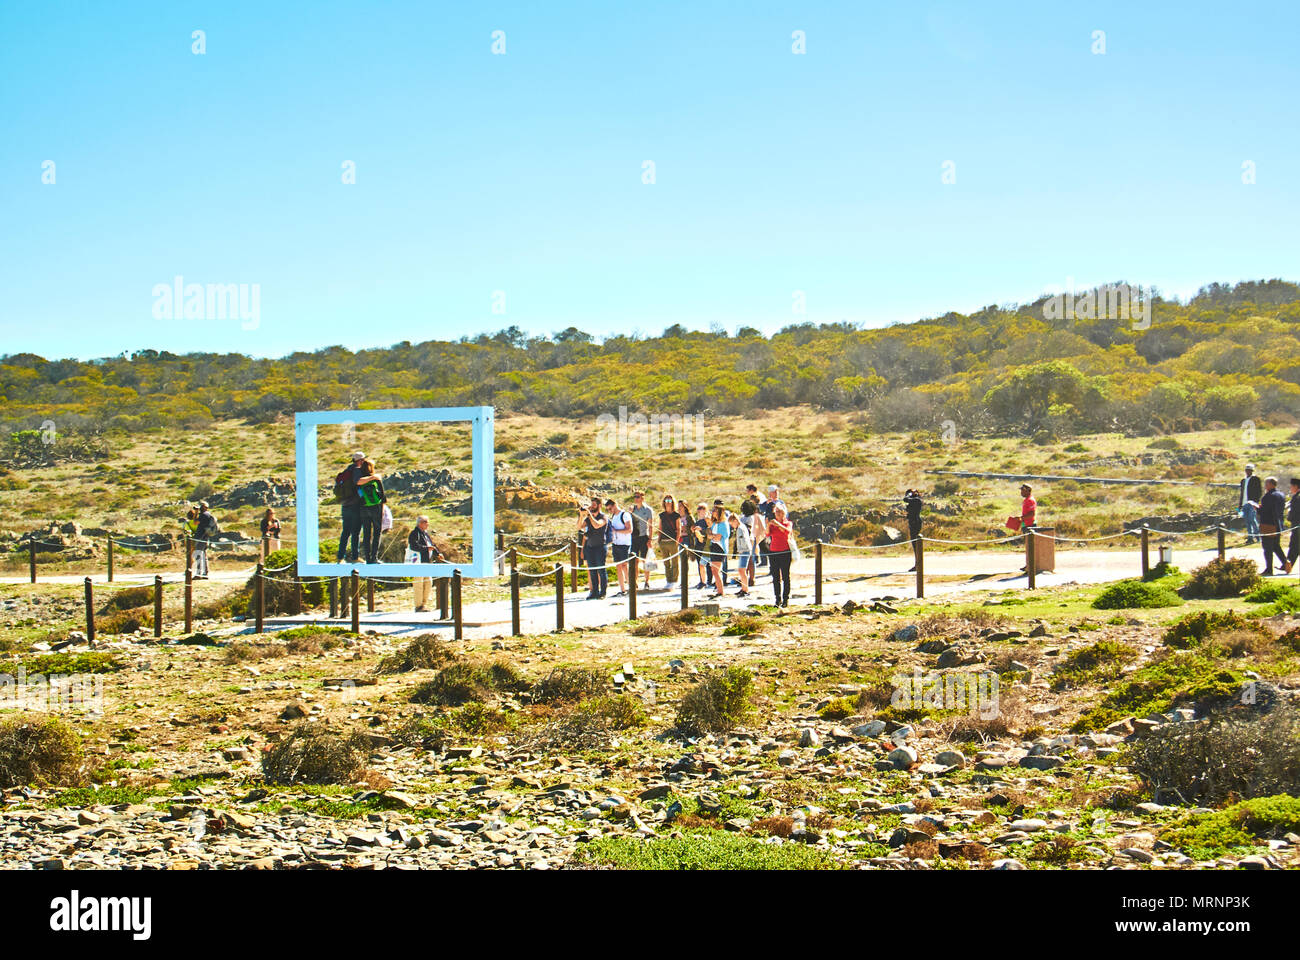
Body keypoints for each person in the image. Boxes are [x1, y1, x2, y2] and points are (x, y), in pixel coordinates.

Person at [334, 451, 368, 563]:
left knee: (345, 532)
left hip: (345, 506)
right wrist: (373, 478)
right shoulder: (357, 470)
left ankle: (340, 557)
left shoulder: (347, 470)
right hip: (355, 505)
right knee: (356, 533)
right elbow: (357, 482)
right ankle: (355, 557)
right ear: (360, 461)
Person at [408, 515, 443, 611]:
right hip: (418, 562)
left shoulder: (425, 534)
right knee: (418, 584)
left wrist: (438, 553)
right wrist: (426, 549)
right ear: (420, 523)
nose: (428, 524)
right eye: (426, 522)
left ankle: (423, 604)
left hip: (427, 562)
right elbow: (414, 546)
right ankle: (418, 605)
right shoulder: (414, 533)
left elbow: (432, 545)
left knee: (428, 583)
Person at [355, 459, 387, 564]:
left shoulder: (360, 481)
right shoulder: (376, 479)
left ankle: (368, 558)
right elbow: (383, 497)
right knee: (377, 533)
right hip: (376, 508)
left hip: (363, 508)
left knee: (366, 533)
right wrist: (382, 510)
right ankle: (374, 557)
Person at [578, 498, 608, 599]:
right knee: (592, 571)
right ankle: (594, 591)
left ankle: (603, 592)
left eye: (594, 505)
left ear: (599, 506)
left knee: (601, 570)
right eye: (591, 505)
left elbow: (597, 525)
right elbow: (579, 527)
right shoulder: (588, 519)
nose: (592, 507)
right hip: (590, 547)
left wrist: (590, 515)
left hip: (600, 547)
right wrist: (582, 515)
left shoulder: (603, 517)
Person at [605, 498, 634, 597]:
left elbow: (629, 530)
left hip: (625, 543)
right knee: (618, 566)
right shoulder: (614, 516)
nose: (609, 511)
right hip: (616, 543)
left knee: (625, 565)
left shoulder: (625, 515)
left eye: (610, 509)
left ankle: (631, 587)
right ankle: (622, 589)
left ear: (614, 505)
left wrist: (616, 531)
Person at [1259, 476, 1288, 575]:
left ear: (1271, 484)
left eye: (1266, 484)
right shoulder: (1281, 495)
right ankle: (1285, 563)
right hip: (1278, 524)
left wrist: (1256, 507)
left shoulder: (1267, 496)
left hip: (1268, 525)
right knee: (1276, 546)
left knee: (1267, 548)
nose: (1265, 486)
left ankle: (1269, 569)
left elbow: (1265, 512)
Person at [767, 503, 794, 607]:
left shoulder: (788, 523)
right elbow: (767, 533)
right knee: (775, 577)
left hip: (785, 551)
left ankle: (786, 599)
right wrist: (769, 524)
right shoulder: (773, 523)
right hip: (773, 551)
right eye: (776, 512)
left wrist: (778, 524)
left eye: (780, 512)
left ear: (784, 513)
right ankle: (777, 599)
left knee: (785, 576)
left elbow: (787, 532)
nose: (777, 514)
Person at [630, 491, 654, 591]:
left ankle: (647, 581)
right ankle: (634, 581)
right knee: (634, 560)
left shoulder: (648, 510)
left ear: (642, 498)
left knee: (645, 560)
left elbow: (651, 526)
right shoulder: (632, 509)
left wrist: (650, 539)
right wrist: (630, 512)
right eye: (635, 497)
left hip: (644, 536)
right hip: (634, 537)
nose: (636, 499)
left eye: (638, 497)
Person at [707, 504, 730, 598]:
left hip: (720, 548)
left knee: (716, 570)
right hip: (713, 546)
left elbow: (718, 537)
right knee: (713, 570)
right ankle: (719, 589)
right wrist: (712, 536)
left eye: (715, 511)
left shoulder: (723, 523)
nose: (713, 512)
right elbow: (710, 535)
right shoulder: (715, 523)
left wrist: (712, 536)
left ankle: (721, 591)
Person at [658, 495, 681, 588]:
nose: (668, 502)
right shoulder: (661, 515)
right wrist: (659, 540)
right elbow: (660, 528)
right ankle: (668, 580)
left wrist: (677, 540)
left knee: (674, 562)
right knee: (666, 562)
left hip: (672, 541)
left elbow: (678, 528)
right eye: (666, 500)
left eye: (669, 500)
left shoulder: (676, 515)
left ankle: (674, 580)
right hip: (663, 541)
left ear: (672, 502)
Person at [192, 500, 219, 580]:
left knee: (198, 555)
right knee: (204, 556)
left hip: (201, 538)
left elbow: (195, 522)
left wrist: (196, 512)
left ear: (204, 507)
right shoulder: (207, 515)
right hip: (205, 538)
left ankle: (199, 574)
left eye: (201, 506)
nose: (200, 508)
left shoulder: (203, 515)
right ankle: (205, 573)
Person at [740, 499, 764, 585]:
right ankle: (747, 578)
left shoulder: (751, 518)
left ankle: (751, 578)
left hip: (749, 539)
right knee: (748, 560)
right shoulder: (744, 518)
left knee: (750, 560)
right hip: (746, 539)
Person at [729, 510, 753, 597]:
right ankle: (743, 588)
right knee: (741, 570)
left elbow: (744, 540)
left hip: (744, 551)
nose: (732, 526)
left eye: (732, 524)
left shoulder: (740, 528)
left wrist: (741, 550)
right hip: (743, 551)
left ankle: (745, 590)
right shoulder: (741, 527)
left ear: (735, 521)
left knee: (742, 570)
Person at [1240, 464, 1263, 544]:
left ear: (1252, 471)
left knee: (1252, 519)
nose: (1248, 471)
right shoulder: (1243, 480)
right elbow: (1242, 493)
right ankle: (1250, 537)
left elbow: (1259, 491)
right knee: (1247, 521)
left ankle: (1258, 537)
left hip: (1252, 503)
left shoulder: (1256, 479)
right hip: (1244, 503)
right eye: (1247, 470)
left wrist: (1255, 502)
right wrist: (1240, 506)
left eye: (1250, 470)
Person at [691, 502, 711, 588]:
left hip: (706, 544)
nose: (701, 513)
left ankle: (709, 580)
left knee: (708, 564)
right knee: (699, 563)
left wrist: (702, 529)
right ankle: (702, 580)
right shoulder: (697, 521)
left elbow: (710, 530)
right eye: (699, 511)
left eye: (703, 511)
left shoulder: (708, 521)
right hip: (698, 544)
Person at [903, 489, 923, 572]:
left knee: (916, 544)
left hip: (916, 522)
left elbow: (905, 499)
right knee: (914, 545)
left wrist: (909, 494)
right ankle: (917, 564)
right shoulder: (913, 501)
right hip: (912, 521)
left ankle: (918, 564)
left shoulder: (917, 500)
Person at [1286, 479, 1300, 575]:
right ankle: (1287, 566)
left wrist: (1289, 517)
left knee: (1295, 545)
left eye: (1291, 486)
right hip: (1296, 525)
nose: (1290, 488)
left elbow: (1295, 512)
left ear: (1296, 486)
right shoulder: (1295, 497)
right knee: (1294, 546)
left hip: (1297, 525)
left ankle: (1287, 565)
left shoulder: (1298, 497)